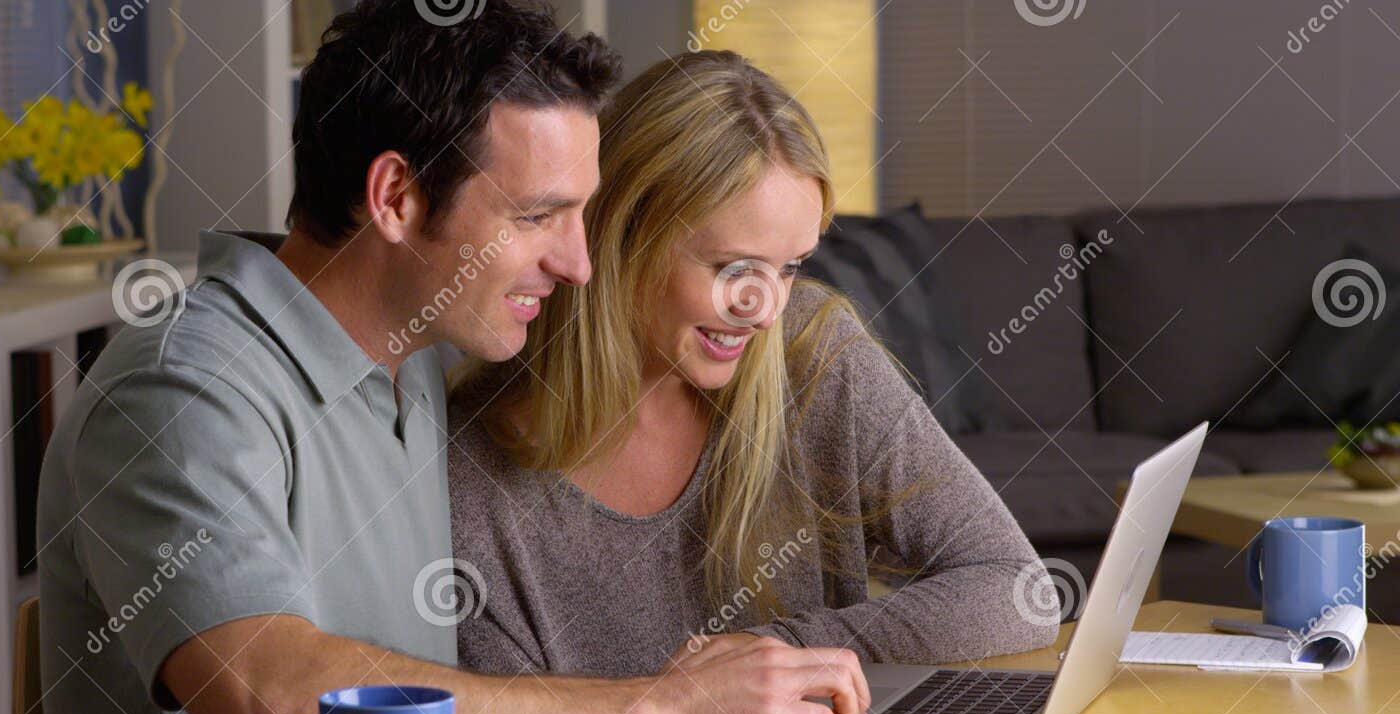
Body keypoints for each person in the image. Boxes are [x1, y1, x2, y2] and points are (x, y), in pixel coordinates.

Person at [37, 1, 870, 714]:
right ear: (396, 197)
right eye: (536, 216)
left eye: (581, 214)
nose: (577, 263)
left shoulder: (418, 362)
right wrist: (659, 709)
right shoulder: (178, 391)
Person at [449, 50, 1060, 680]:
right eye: (732, 267)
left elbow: (1019, 589)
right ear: (619, 234)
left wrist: (776, 656)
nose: (764, 312)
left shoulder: (810, 351)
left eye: (790, 267)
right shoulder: (471, 479)